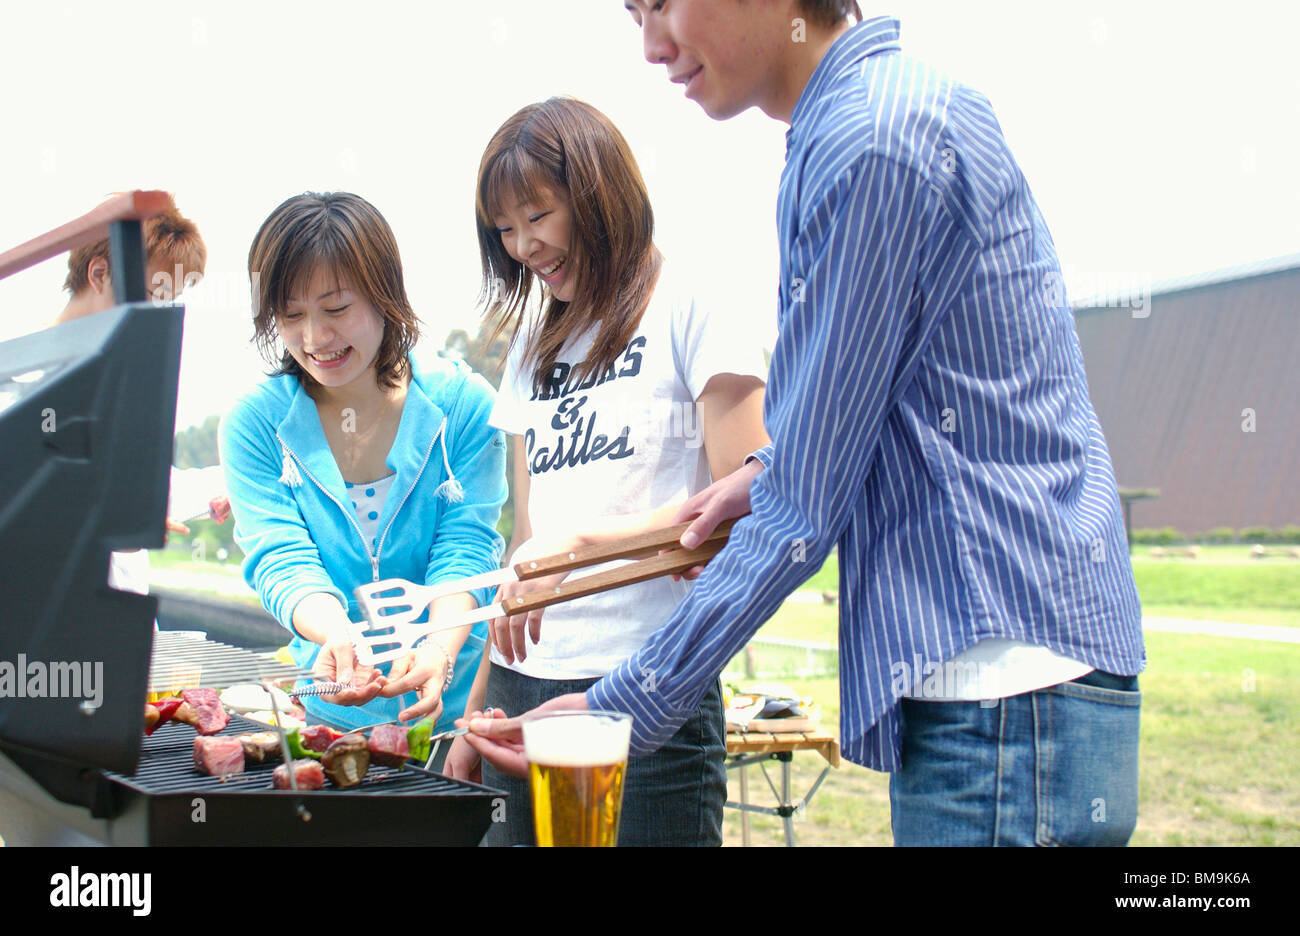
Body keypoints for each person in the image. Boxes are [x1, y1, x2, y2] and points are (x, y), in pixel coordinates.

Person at [464, 3, 1146, 847]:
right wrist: (763, 476)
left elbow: (800, 512)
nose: (651, 46)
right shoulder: (862, 124)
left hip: (1001, 693)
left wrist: (626, 702)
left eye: (661, 4)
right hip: (997, 694)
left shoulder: (871, 141)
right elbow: (848, 426)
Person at [447, 97, 769, 846]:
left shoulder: (693, 302)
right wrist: (474, 708)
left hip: (647, 681)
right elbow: (525, 546)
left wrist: (583, 546)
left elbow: (748, 505)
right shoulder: (533, 341)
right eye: (504, 229)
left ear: (598, 193)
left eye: (538, 215)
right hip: (523, 686)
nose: (524, 245)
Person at [220, 192, 507, 734]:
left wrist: (437, 651)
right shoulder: (255, 424)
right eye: (291, 314)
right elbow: (280, 555)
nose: (314, 338)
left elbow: (466, 546)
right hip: (329, 711)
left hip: (460, 714)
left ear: (384, 294)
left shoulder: (465, 407)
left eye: (336, 309)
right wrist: (338, 634)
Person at [53, 195, 227, 595]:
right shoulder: (23, 379)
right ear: (100, 274)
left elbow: (142, 491)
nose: (158, 317)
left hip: (117, 613)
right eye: (154, 295)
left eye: (169, 301)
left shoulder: (117, 380)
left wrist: (236, 481)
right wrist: (98, 525)